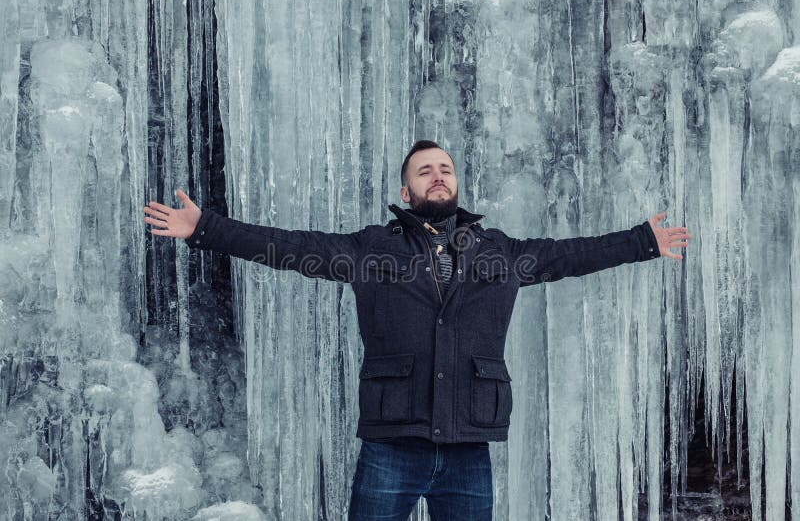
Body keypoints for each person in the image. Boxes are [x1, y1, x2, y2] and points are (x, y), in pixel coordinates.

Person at [143, 140, 691, 520]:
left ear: (457, 183)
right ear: (406, 192)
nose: (437, 175)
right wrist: (205, 229)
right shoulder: (368, 250)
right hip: (391, 445)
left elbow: (572, 254)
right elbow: (289, 247)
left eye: (445, 169)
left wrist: (643, 240)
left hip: (468, 447)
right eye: (424, 171)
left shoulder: (502, 252)